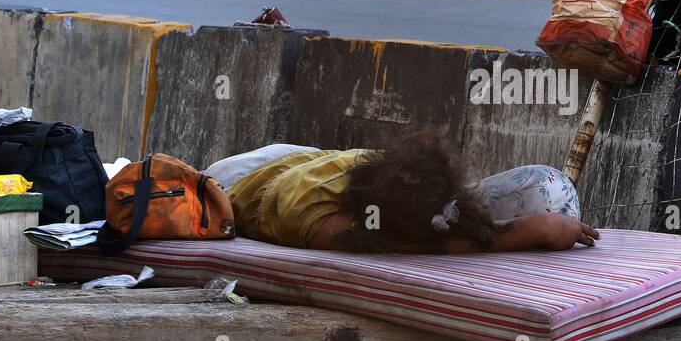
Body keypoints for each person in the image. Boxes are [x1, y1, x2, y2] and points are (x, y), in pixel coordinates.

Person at [210, 133, 598, 254]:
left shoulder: (389, 172)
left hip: (296, 157)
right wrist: (533, 231)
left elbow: (451, 220)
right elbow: (417, 245)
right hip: (238, 179)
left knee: (546, 191)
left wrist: (536, 223)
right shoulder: (317, 223)